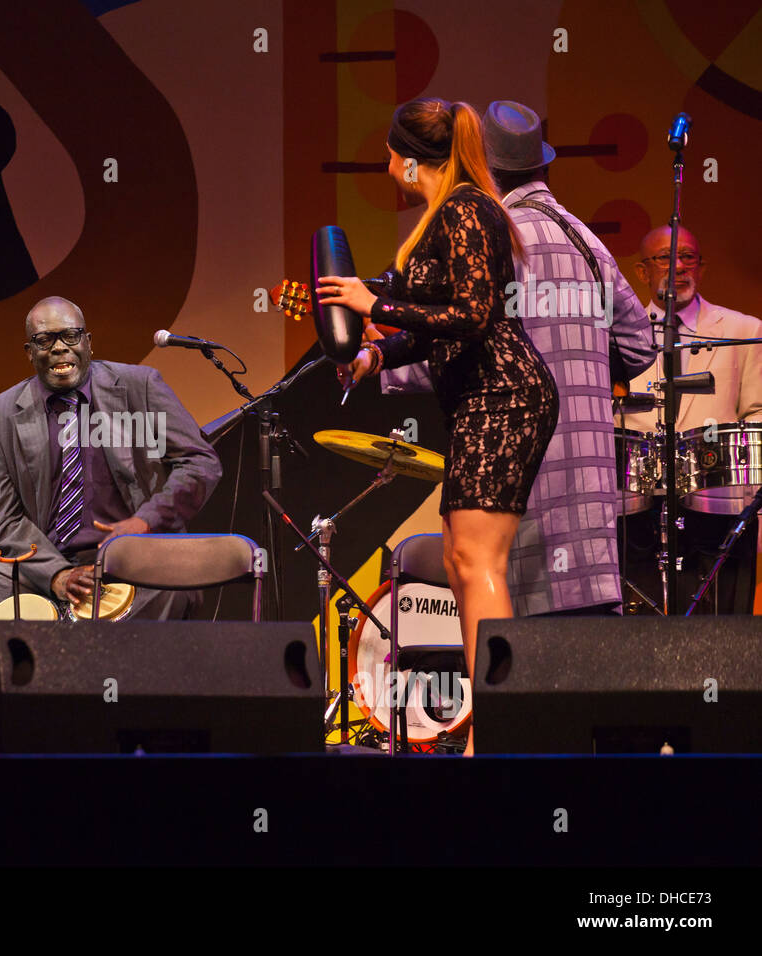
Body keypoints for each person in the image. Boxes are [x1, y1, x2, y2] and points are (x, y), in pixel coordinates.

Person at [317, 98, 559, 755]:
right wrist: (375, 352)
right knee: (459, 559)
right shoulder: (439, 218)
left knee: (480, 561)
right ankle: (494, 721)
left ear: (407, 159)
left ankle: (498, 730)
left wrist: (377, 303)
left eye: (389, 152)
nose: (386, 162)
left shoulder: (468, 209)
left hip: (505, 394)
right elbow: (435, 329)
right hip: (478, 399)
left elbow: (476, 315)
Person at [0, 296, 222, 720]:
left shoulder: (139, 386)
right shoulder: (0, 414)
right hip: (47, 564)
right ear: (29, 351)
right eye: (45, 339)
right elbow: (3, 518)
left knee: (175, 584)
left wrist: (145, 521)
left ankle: (107, 703)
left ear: (88, 341)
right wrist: (55, 575)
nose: (59, 348)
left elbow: (200, 462)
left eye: (70, 336)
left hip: (134, 560)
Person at [374, 101, 657, 617]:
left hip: (514, 470)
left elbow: (461, 336)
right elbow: (639, 345)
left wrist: (382, 359)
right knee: (586, 677)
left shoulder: (487, 234)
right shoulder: (589, 241)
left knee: (510, 648)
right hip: (590, 492)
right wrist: (580, 367)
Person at [616, 225, 762, 614]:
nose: (678, 266)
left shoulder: (743, 331)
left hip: (719, 502)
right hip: (638, 504)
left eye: (688, 257)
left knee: (721, 622)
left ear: (702, 267)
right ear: (642, 271)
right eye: (665, 257)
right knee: (640, 620)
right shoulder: (617, 336)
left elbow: (757, 413)